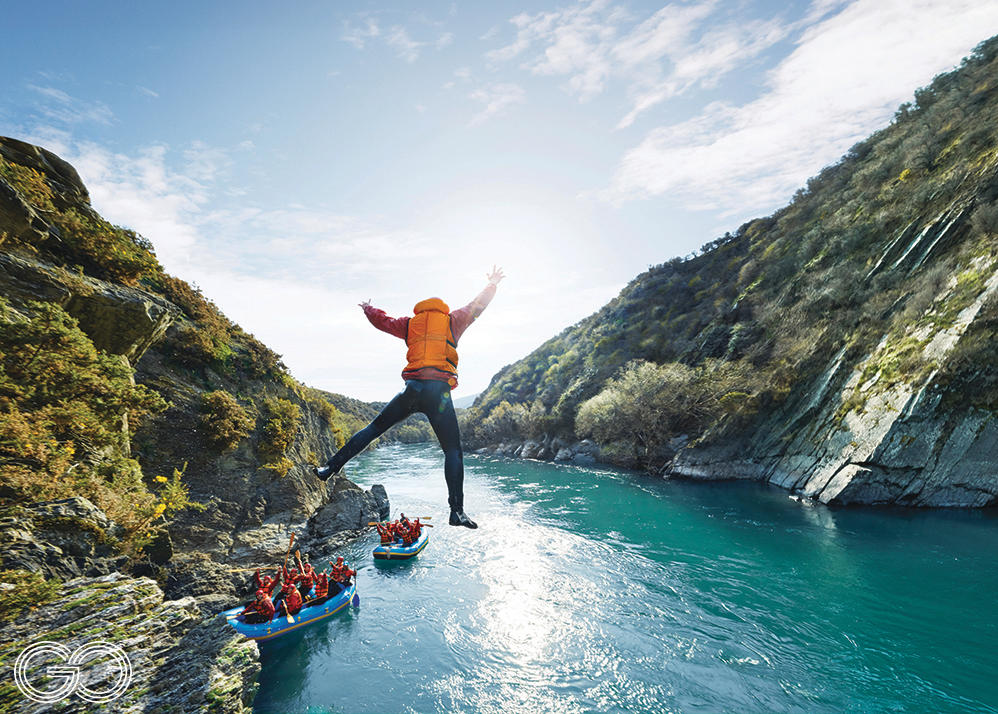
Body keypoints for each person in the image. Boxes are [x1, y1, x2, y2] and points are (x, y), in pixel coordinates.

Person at [314, 266, 506, 529]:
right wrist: (492, 284)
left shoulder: (410, 323)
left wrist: (368, 309)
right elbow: (478, 305)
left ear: (422, 309)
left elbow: (383, 322)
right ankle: (456, 511)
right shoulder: (453, 320)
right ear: (441, 308)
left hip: (412, 389)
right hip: (438, 393)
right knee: (452, 450)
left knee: (373, 429)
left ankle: (329, 468)